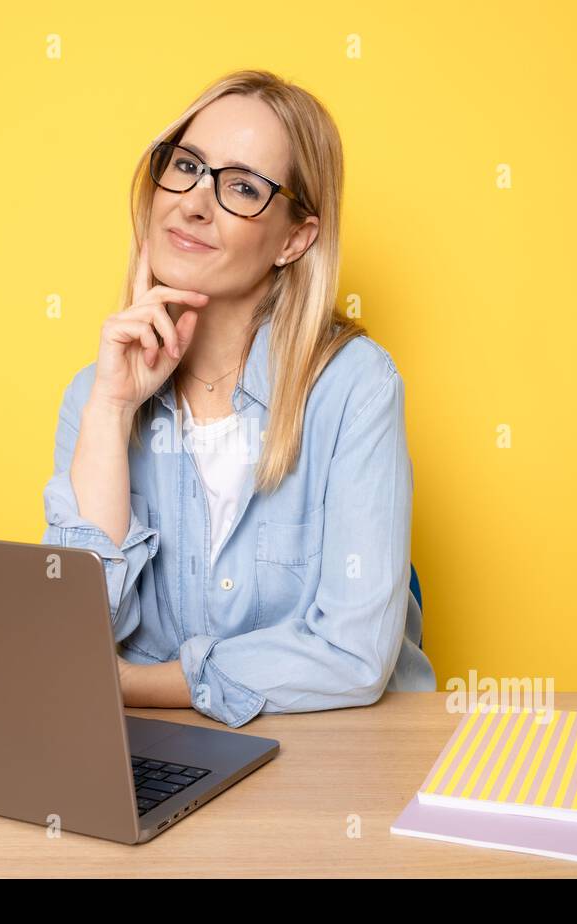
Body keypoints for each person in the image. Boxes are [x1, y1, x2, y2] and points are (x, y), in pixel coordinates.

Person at [42, 69, 435, 728]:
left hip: (344, 759)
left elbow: (353, 655)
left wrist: (138, 683)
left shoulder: (355, 387)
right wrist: (111, 411)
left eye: (243, 187)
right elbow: (67, 642)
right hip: (168, 755)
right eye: (187, 166)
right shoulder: (95, 393)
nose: (195, 203)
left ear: (295, 239)